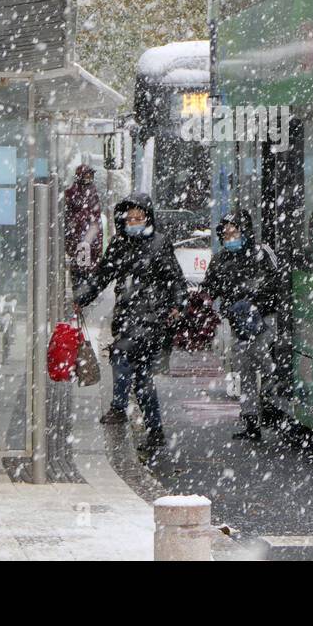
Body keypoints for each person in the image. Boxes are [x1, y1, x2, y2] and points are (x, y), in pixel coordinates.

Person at [74, 192, 187, 458]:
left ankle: (124, 410)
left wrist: (176, 305)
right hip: (126, 318)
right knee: (138, 374)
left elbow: (175, 279)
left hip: (152, 320)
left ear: (148, 218)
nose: (134, 222)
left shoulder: (159, 244)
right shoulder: (119, 245)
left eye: (139, 217)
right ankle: (152, 428)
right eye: (130, 218)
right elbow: (102, 275)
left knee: (128, 361)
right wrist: (82, 297)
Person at [200, 209, 282, 442]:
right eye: (226, 234)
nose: (230, 237)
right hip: (237, 322)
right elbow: (210, 287)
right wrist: (203, 303)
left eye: (234, 232)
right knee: (243, 366)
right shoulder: (220, 260)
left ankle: (272, 382)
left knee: (257, 350)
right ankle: (250, 420)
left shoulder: (262, 252)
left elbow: (278, 279)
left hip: (264, 318)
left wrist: (255, 300)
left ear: (245, 231)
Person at [62, 163, 103, 287]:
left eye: (91, 176)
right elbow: (71, 216)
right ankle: (79, 296)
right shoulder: (73, 193)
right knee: (80, 270)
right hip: (80, 238)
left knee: (88, 269)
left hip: (89, 236)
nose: (89, 178)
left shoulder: (92, 191)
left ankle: (84, 293)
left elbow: (96, 215)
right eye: (87, 175)